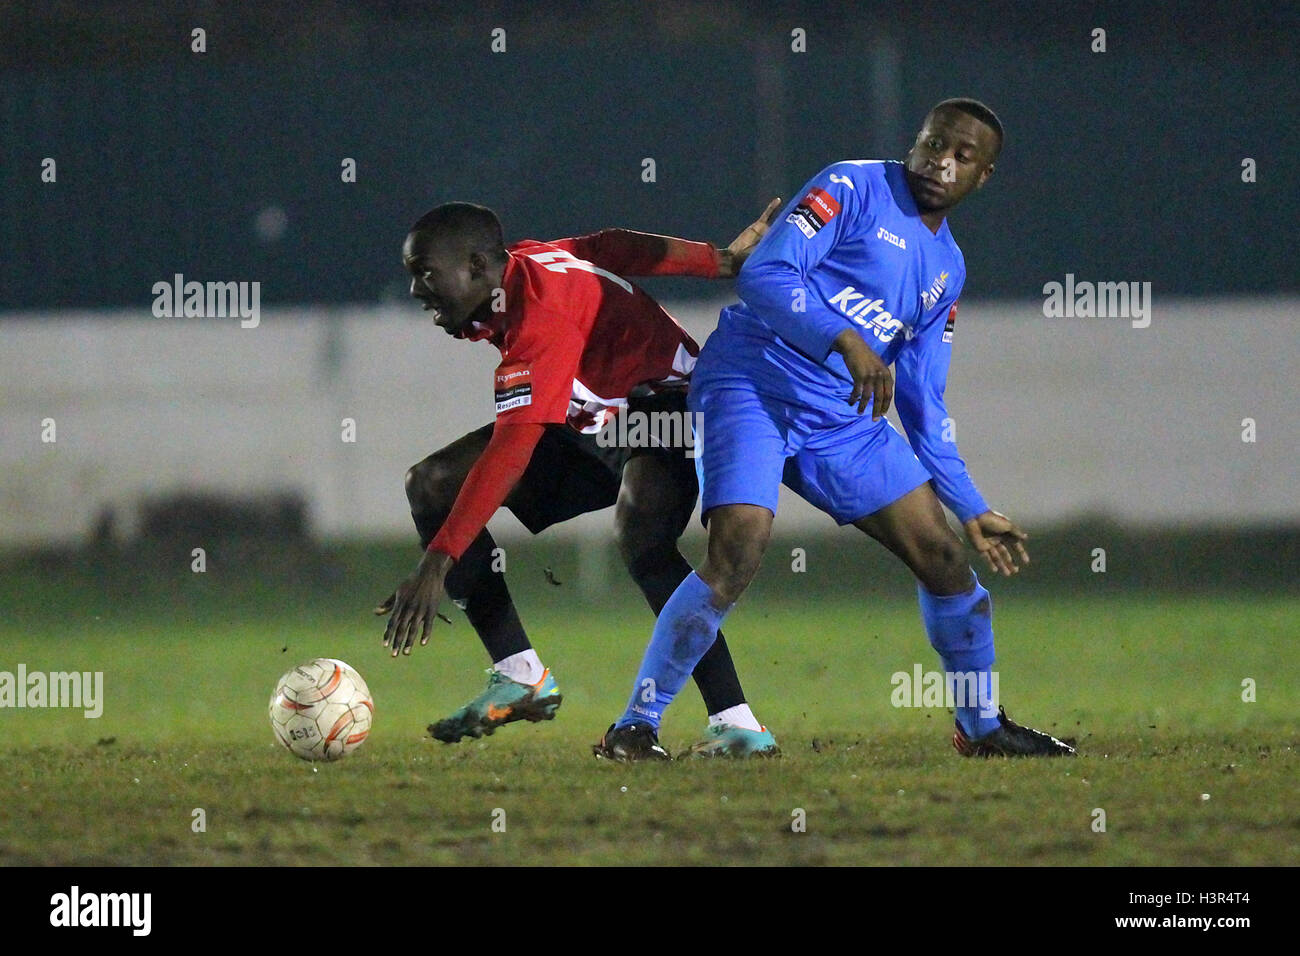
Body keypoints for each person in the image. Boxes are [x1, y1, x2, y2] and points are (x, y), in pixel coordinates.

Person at [594, 99, 1076, 760]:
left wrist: (971, 506)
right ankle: (635, 726)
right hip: (749, 385)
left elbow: (925, 404)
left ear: (982, 177)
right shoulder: (850, 185)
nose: (942, 161)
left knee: (942, 556)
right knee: (737, 549)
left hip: (842, 423)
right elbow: (765, 273)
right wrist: (844, 340)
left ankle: (983, 726)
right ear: (916, 141)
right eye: (935, 144)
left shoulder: (946, 270)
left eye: (963, 156)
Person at [379, 198, 785, 757]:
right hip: (598, 418)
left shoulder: (538, 314)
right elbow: (609, 246)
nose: (416, 290)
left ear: (475, 266)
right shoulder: (519, 264)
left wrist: (437, 561)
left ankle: (737, 723)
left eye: (424, 273)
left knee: (645, 539)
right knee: (431, 483)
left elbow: (512, 451)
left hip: (665, 403)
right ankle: (520, 675)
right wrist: (717, 261)